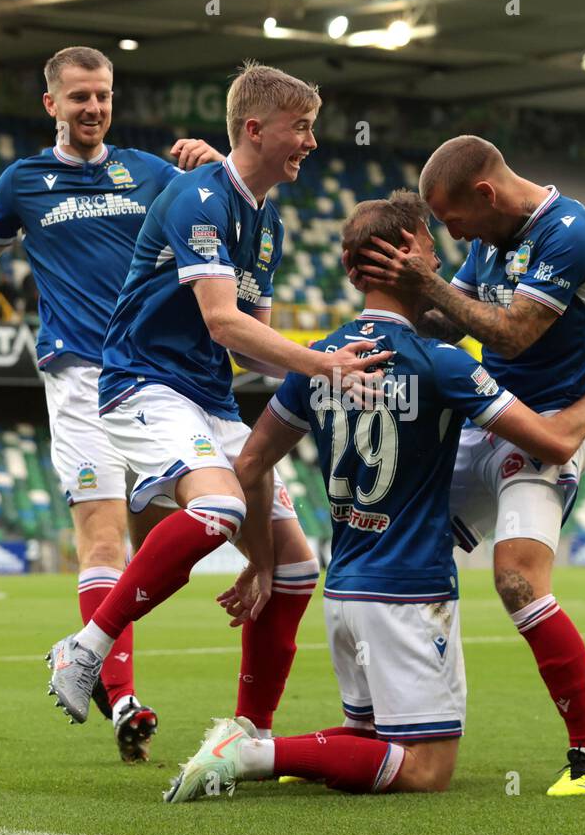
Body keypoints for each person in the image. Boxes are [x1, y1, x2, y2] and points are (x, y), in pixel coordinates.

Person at [164, 191, 585, 801]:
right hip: (406, 594)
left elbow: (251, 461)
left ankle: (267, 748)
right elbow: (553, 444)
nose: (440, 256)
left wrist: (260, 560)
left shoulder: (318, 360)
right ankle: (250, 750)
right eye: (429, 242)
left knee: (369, 738)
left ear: (349, 270)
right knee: (427, 769)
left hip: (343, 591)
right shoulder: (443, 364)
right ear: (407, 255)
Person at [45, 62, 385, 738]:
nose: (312, 143)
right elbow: (222, 322)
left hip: (209, 398)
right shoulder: (198, 198)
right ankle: (84, 647)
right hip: (143, 383)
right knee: (222, 505)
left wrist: (316, 370)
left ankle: (247, 734)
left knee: (290, 567)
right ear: (255, 129)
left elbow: (249, 348)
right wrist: (324, 364)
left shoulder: (269, 225)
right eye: (302, 128)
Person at [0, 46, 223, 762]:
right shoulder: (23, 182)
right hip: (78, 379)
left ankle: (254, 650)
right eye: (80, 97)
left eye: (104, 96)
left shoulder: (152, 174)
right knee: (102, 539)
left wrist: (216, 169)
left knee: (205, 518)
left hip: (155, 376)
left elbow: (227, 219)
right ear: (51, 104)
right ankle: (119, 695)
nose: (93, 108)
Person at [351, 135, 585, 796]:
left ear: (486, 194)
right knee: (381, 539)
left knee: (517, 582)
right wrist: (384, 318)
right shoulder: (490, 238)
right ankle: (367, 732)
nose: (450, 233)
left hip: (542, 428)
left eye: (452, 220)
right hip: (486, 416)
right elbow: (450, 323)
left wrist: (427, 279)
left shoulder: (571, 234)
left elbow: (512, 332)